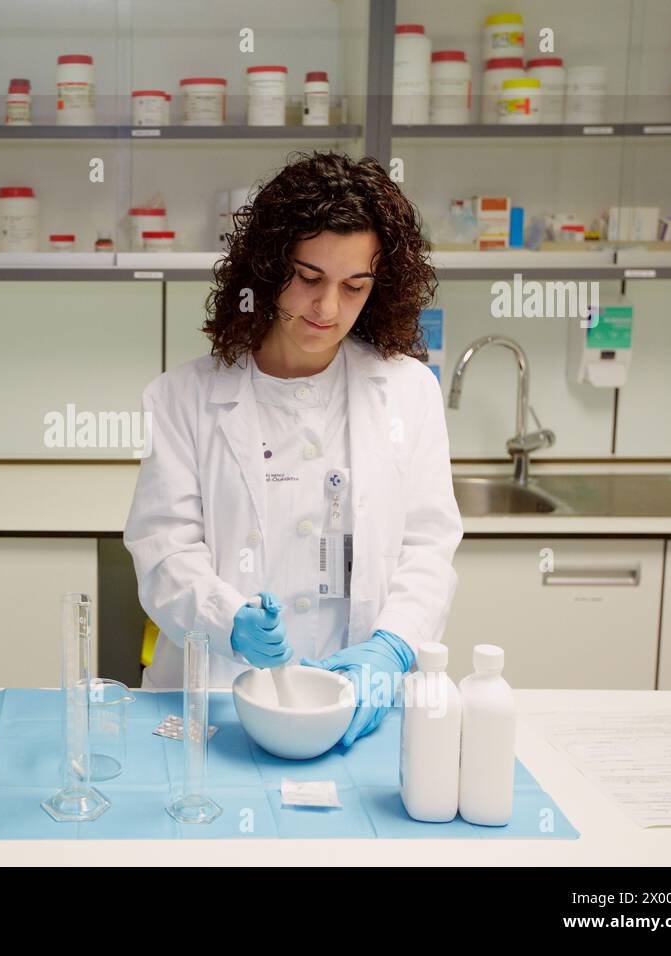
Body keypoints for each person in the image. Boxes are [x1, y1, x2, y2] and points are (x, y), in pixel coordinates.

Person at [124, 150, 463, 747]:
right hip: (214, 706)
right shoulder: (182, 399)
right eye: (309, 279)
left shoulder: (409, 392)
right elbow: (163, 553)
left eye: (354, 285)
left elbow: (429, 546)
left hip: (358, 705)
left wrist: (391, 648)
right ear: (268, 268)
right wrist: (228, 623)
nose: (327, 309)